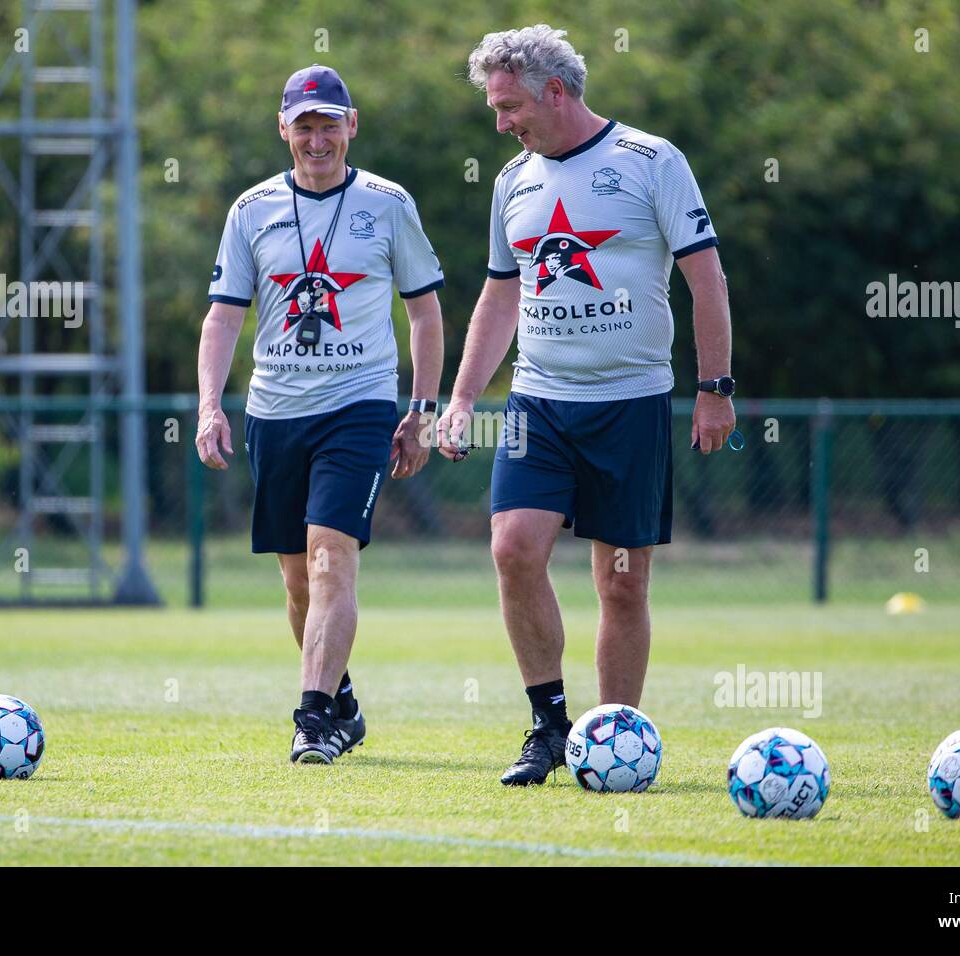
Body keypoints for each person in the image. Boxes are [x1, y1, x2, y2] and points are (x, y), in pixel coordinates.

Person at [436, 26, 736, 785]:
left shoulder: (651, 161)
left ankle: (618, 741)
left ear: (557, 92)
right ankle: (548, 727)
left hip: (631, 404)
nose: (501, 123)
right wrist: (463, 396)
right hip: (540, 402)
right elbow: (501, 296)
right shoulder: (514, 182)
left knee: (622, 581)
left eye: (509, 107)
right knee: (512, 550)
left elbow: (707, 278)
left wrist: (714, 387)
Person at [197, 64, 446, 764]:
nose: (316, 138)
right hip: (274, 413)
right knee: (297, 579)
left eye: (328, 124)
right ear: (283, 130)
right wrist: (209, 405)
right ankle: (341, 702)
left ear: (351, 125)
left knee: (332, 558)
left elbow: (425, 314)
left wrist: (421, 410)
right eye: (303, 125)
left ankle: (311, 717)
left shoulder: (388, 203)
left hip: (358, 407)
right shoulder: (250, 209)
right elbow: (222, 319)